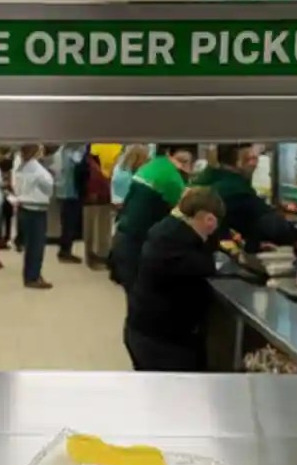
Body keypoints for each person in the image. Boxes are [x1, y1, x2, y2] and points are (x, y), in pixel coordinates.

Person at [125, 187, 226, 372]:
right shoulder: (180, 248)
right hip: (162, 342)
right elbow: (207, 267)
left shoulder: (167, 229)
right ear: (209, 220)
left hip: (142, 330)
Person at [190, 143, 297, 251]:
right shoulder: (237, 191)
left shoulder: (208, 179)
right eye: (253, 158)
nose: (255, 163)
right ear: (241, 162)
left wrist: (253, 245)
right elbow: (275, 228)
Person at [109, 144, 196, 294]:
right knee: (142, 300)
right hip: (137, 245)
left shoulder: (151, 166)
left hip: (123, 237)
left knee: (135, 300)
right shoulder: (171, 176)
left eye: (188, 162)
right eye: (182, 161)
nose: (185, 166)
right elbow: (187, 211)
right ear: (169, 154)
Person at [13, 143, 54, 290]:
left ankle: (31, 274)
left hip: (24, 207)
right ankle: (33, 277)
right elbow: (48, 185)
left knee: (30, 246)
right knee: (36, 246)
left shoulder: (19, 165)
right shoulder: (35, 168)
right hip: (35, 209)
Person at [81, 144, 114, 269]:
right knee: (95, 230)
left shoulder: (88, 162)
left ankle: (92, 257)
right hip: (96, 199)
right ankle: (93, 258)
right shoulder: (91, 165)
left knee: (91, 230)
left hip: (92, 198)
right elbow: (96, 180)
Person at [53, 144, 85, 264]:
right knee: (69, 224)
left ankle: (64, 250)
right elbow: (78, 163)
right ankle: (65, 252)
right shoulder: (73, 152)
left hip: (62, 191)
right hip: (71, 192)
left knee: (66, 223)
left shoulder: (59, 151)